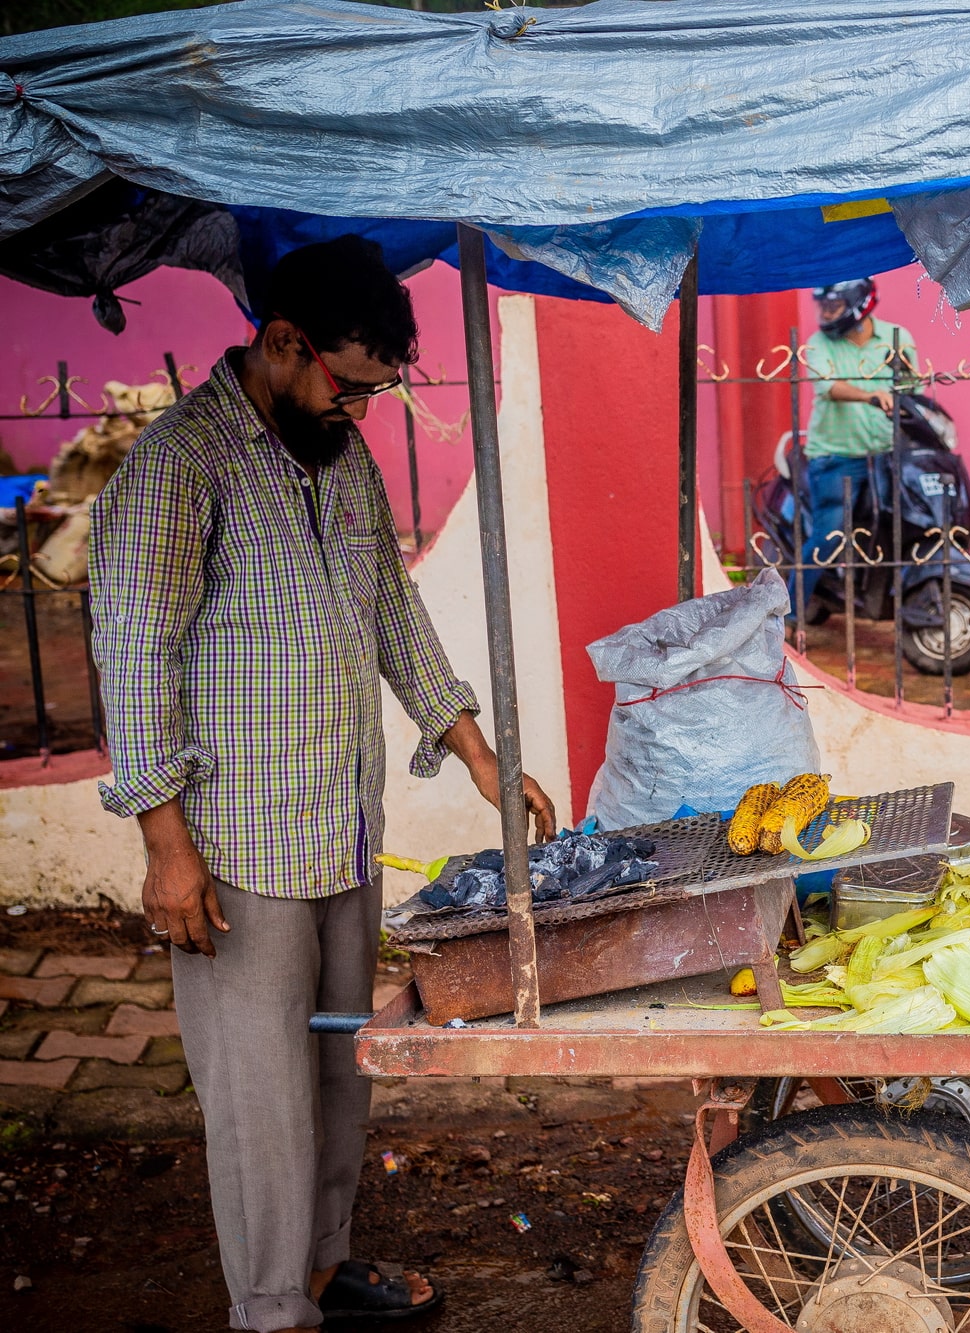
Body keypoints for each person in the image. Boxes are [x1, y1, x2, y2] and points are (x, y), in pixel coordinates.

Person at [88, 235, 557, 1332]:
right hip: (232, 854)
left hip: (342, 829)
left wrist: (484, 758)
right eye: (351, 386)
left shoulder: (341, 456)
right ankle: (267, 1306)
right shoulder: (178, 467)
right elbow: (134, 655)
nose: (363, 410)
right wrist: (165, 847)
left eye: (380, 392)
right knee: (260, 1101)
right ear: (284, 342)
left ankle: (321, 1265)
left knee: (344, 1073)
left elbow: (391, 613)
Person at [792, 276, 918, 613]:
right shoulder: (819, 343)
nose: (827, 314)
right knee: (827, 538)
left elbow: (911, 392)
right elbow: (827, 387)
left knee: (898, 527)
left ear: (858, 305)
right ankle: (789, 616)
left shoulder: (896, 338)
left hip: (886, 455)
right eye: (825, 307)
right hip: (836, 457)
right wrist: (870, 395)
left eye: (835, 307)